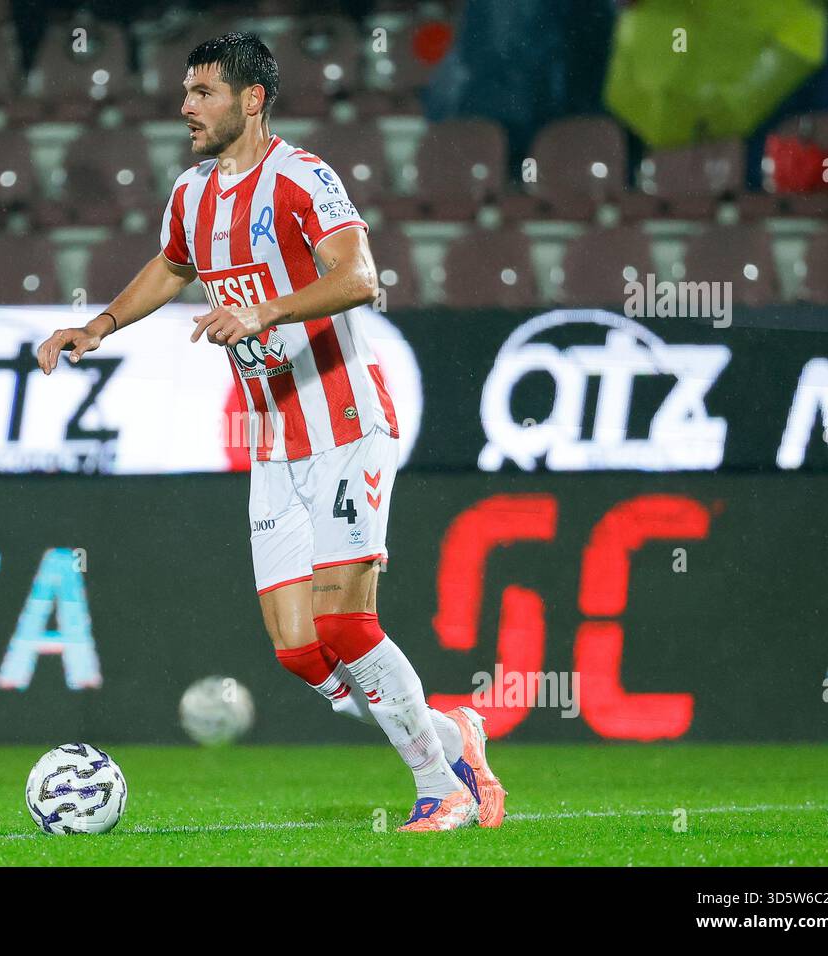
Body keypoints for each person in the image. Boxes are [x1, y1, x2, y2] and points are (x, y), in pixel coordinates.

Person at [36, 33, 505, 832]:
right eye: (187, 92)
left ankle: (442, 787)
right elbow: (175, 266)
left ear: (252, 99)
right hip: (272, 439)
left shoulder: (303, 178)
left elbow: (361, 276)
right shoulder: (190, 193)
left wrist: (265, 308)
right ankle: (452, 732)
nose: (186, 106)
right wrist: (103, 323)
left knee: (348, 624)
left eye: (205, 92)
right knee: (299, 649)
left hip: (346, 424)